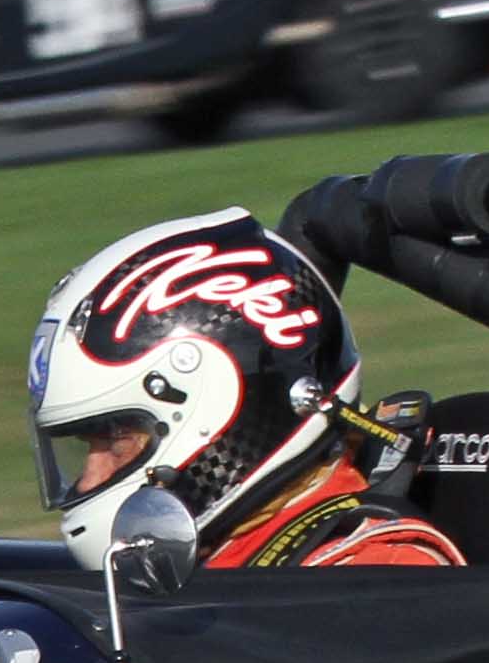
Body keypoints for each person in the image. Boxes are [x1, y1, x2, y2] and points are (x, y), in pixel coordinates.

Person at [27, 206, 460, 572]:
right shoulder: (201, 571)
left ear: (222, 418)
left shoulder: (376, 573)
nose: (88, 479)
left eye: (116, 440)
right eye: (90, 445)